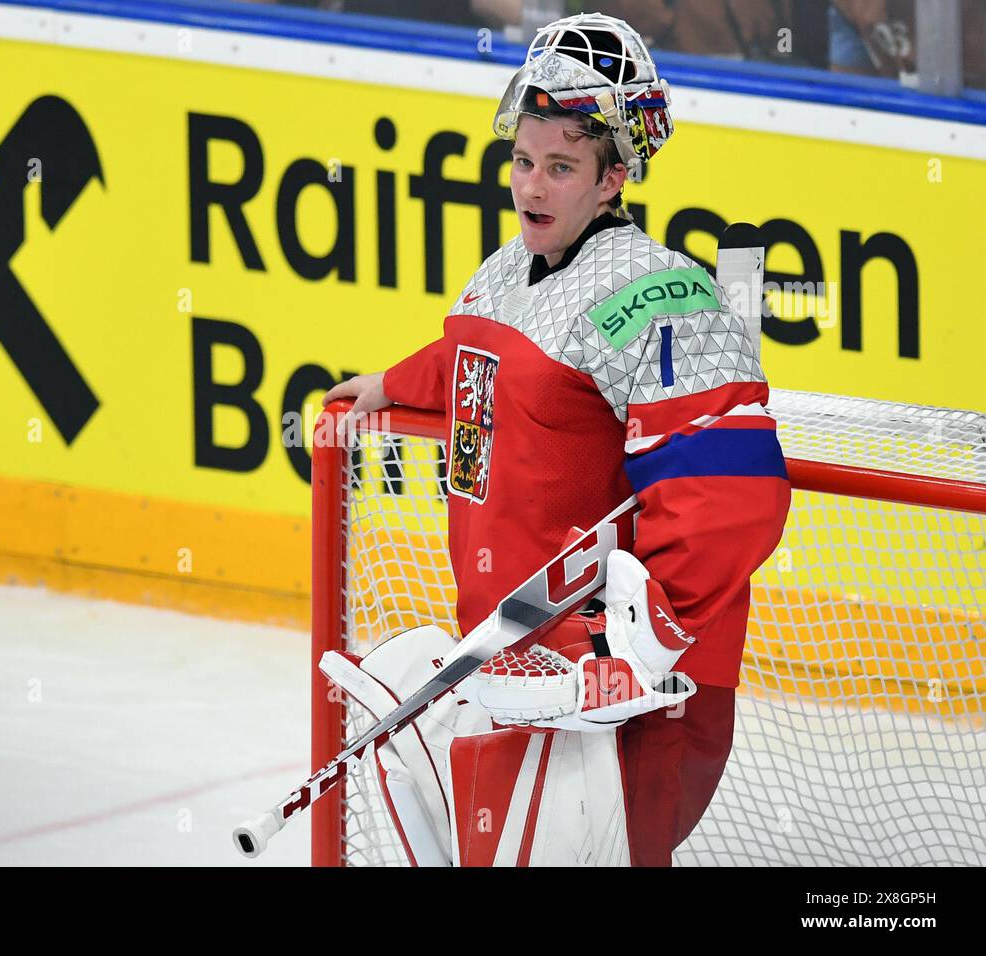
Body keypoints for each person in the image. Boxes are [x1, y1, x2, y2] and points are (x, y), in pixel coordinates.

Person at [322, 12, 791, 866]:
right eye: (523, 161)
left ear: (615, 179)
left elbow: (733, 494)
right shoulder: (505, 272)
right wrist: (395, 382)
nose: (530, 187)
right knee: (400, 733)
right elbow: (489, 365)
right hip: (512, 661)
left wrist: (623, 651)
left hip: (615, 702)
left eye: (562, 167)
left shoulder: (661, 295)